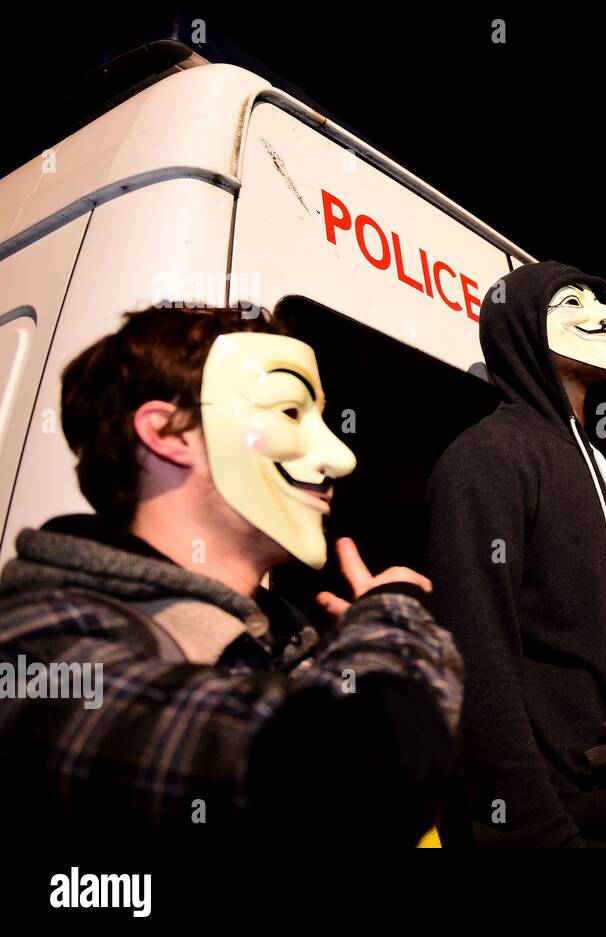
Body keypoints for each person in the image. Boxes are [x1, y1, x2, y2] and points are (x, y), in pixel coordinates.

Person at [0, 307, 463, 844]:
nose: (340, 456)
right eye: (290, 412)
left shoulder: (292, 645)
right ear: (167, 431)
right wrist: (393, 615)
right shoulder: (33, 645)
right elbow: (355, 778)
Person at [426, 262, 606, 847]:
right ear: (522, 328)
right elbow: (477, 668)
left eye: (603, 303)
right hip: (578, 829)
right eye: (571, 304)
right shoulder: (487, 460)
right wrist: (539, 833)